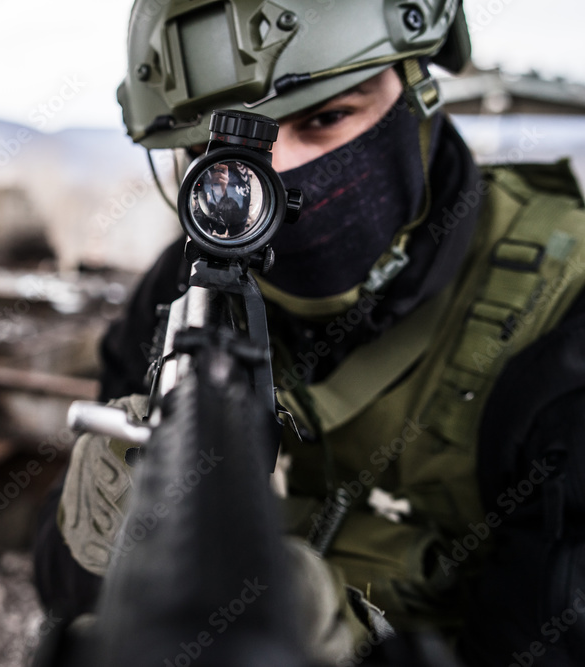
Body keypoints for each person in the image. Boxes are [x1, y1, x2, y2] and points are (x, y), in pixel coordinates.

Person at [33, 2, 585, 665]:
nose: (275, 176)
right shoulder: (180, 291)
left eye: (324, 118)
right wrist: (94, 545)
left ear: (417, 89)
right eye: (219, 150)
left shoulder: (562, 320)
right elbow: (62, 593)